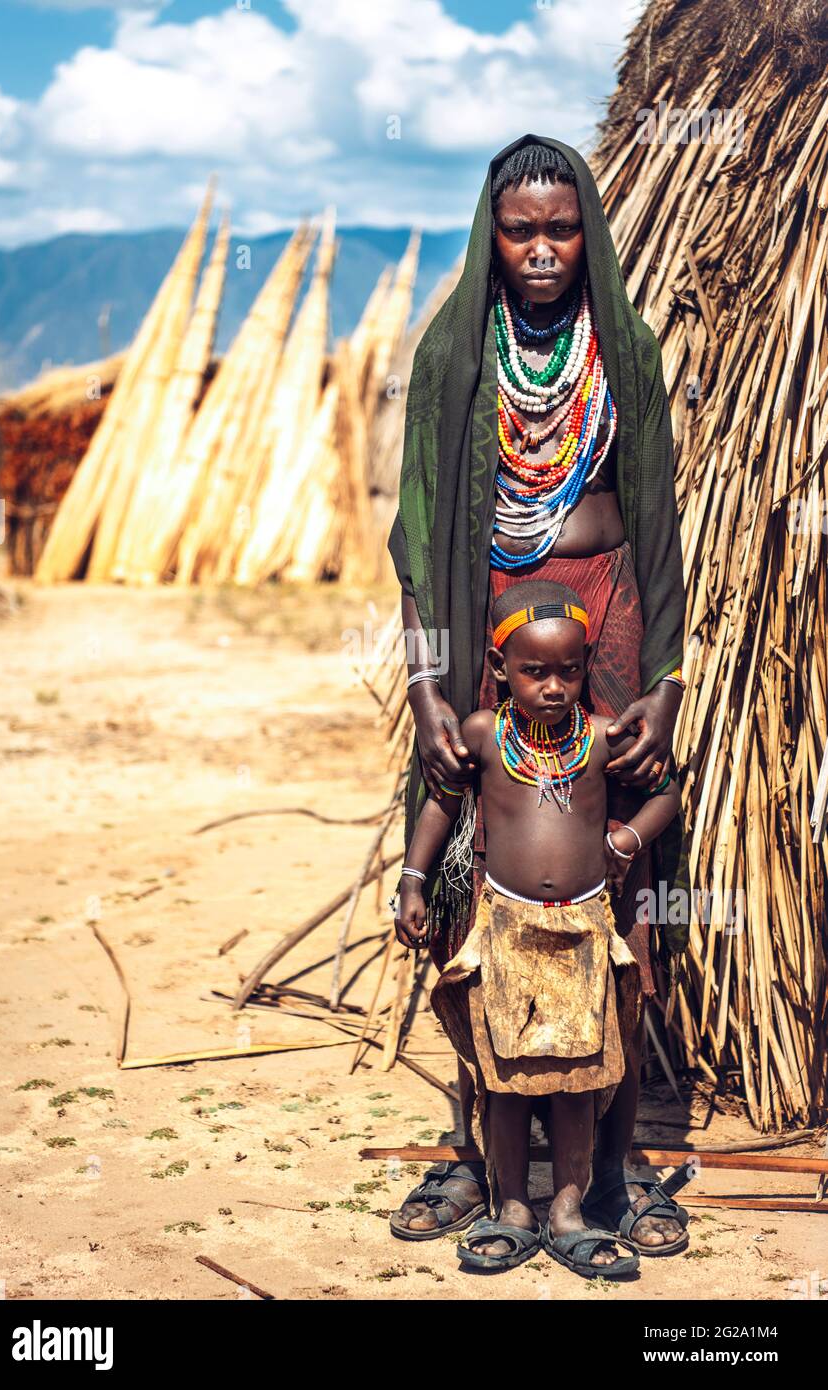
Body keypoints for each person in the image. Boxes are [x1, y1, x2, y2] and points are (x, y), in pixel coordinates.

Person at [387, 134, 691, 1254]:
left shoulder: (627, 354)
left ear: (588, 229)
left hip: (605, 621)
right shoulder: (449, 358)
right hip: (486, 634)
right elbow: (421, 533)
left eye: (560, 226)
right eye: (519, 229)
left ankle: (607, 1169)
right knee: (477, 887)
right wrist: (428, 687)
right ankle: (483, 1159)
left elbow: (659, 525)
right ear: (490, 233)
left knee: (615, 877)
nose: (541, 249)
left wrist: (662, 681)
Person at [391, 579, 684, 1274]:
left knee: (577, 1077)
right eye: (535, 671)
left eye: (570, 670)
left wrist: (626, 843)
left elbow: (666, 793)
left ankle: (569, 1211)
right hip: (503, 929)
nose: (555, 687)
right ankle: (512, 1207)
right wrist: (411, 879)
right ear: (499, 669)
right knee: (505, 1077)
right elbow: (440, 803)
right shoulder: (483, 735)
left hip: (582, 931)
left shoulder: (603, 739)